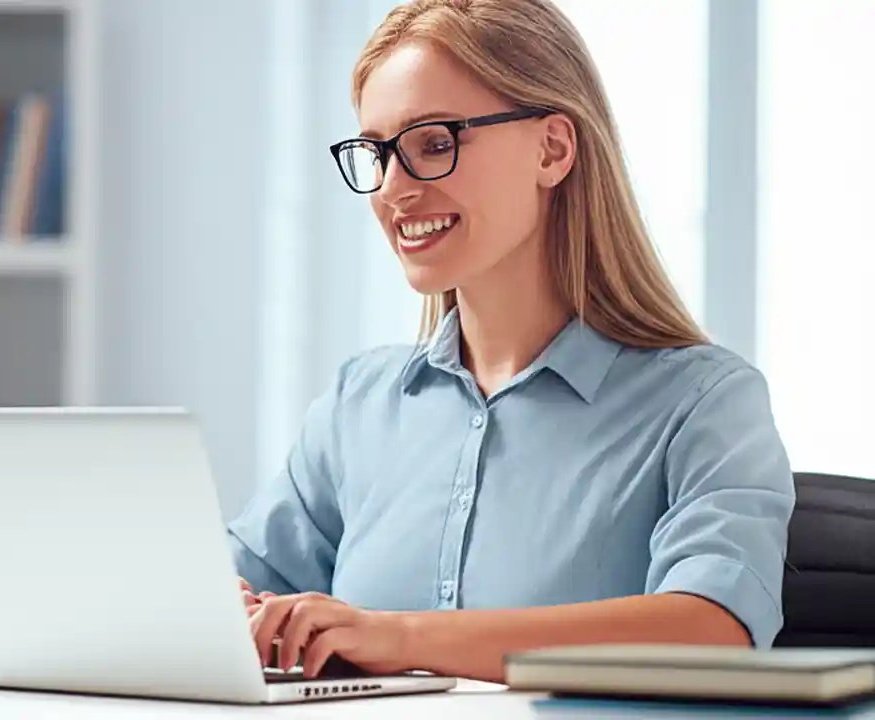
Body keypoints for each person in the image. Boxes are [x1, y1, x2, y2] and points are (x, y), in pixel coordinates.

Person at [227, 0, 795, 684]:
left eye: (433, 143)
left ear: (552, 149)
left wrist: (396, 636)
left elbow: (712, 629)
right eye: (376, 153)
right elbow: (224, 586)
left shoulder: (706, 403)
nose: (393, 189)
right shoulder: (359, 404)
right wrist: (221, 610)